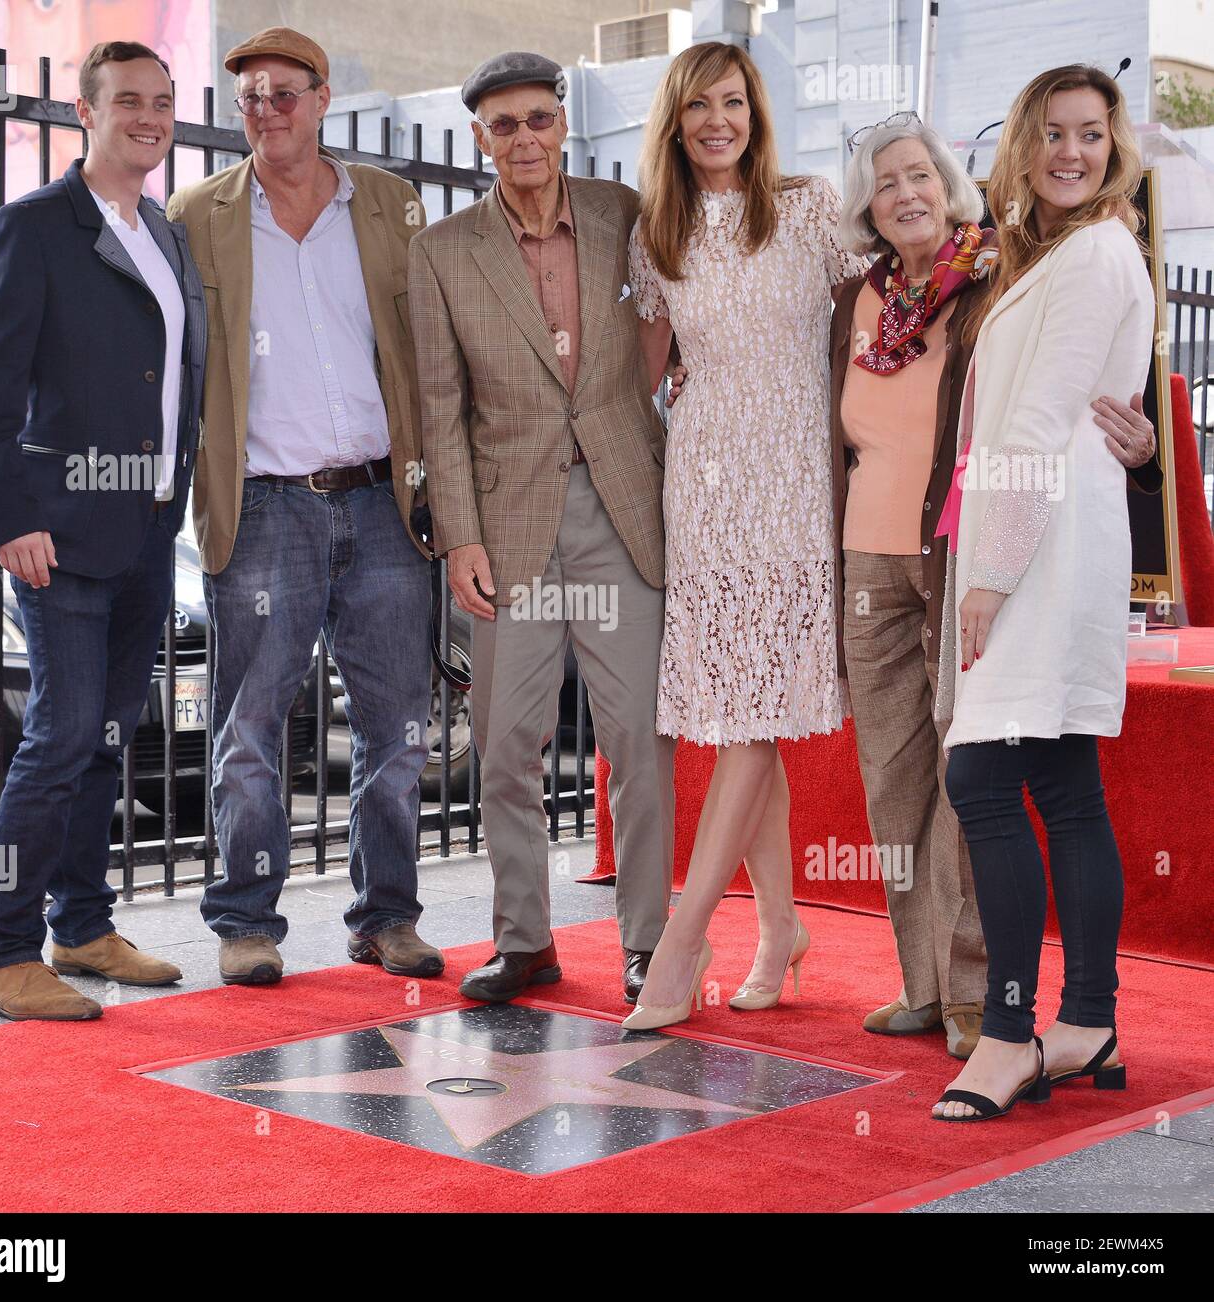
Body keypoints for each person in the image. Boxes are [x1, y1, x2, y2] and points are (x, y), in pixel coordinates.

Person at [830, 114, 1159, 1059]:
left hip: (960, 554)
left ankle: (978, 991)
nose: (906, 194)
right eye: (886, 182)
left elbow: (1075, 405)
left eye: (920, 175)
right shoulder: (854, 301)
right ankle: (923, 983)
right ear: (868, 208)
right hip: (867, 556)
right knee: (894, 781)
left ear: (951, 185)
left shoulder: (995, 278)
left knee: (966, 769)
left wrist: (1142, 453)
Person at [167, 27, 441, 985]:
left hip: (381, 501)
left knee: (396, 725)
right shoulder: (196, 214)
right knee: (249, 726)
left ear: (324, 100)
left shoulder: (390, 206)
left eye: (285, 92)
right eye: (250, 96)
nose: (266, 110)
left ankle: (387, 917)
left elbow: (430, 345)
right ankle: (246, 921)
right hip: (263, 507)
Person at [409, 51, 677, 1005]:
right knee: (505, 746)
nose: (524, 137)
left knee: (638, 742)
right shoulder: (443, 251)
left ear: (562, 123)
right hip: (509, 528)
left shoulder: (624, 214)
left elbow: (678, 320)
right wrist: (460, 537)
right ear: (478, 138)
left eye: (538, 118)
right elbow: (440, 408)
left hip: (621, 507)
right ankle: (524, 941)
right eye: (503, 124)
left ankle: (649, 943)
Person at [0, 41, 206, 1019]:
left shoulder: (164, 233)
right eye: (129, 101)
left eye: (163, 102)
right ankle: (1, 953)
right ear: (86, 113)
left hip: (149, 524)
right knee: (60, 736)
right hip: (59, 531)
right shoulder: (34, 226)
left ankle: (82, 925)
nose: (149, 118)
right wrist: (14, 518)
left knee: (106, 736)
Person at [622, 41, 863, 1030]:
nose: (717, 121)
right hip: (706, 491)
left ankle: (684, 943)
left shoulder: (810, 208)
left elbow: (877, 325)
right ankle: (778, 928)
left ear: (755, 113)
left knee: (756, 717)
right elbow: (641, 375)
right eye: (698, 106)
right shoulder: (654, 234)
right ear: (674, 123)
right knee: (736, 715)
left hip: (796, 488)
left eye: (733, 102)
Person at [932, 64, 1157, 1120]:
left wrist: (991, 573)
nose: (1072, 151)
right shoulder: (1069, 250)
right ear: (1023, 147)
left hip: (1043, 548)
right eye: (1053, 133)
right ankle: (1090, 1021)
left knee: (981, 777)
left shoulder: (1096, 254)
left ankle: (1010, 1033)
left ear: (1114, 147)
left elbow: (1036, 421)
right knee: (1063, 784)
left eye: (1091, 134)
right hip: (1056, 535)